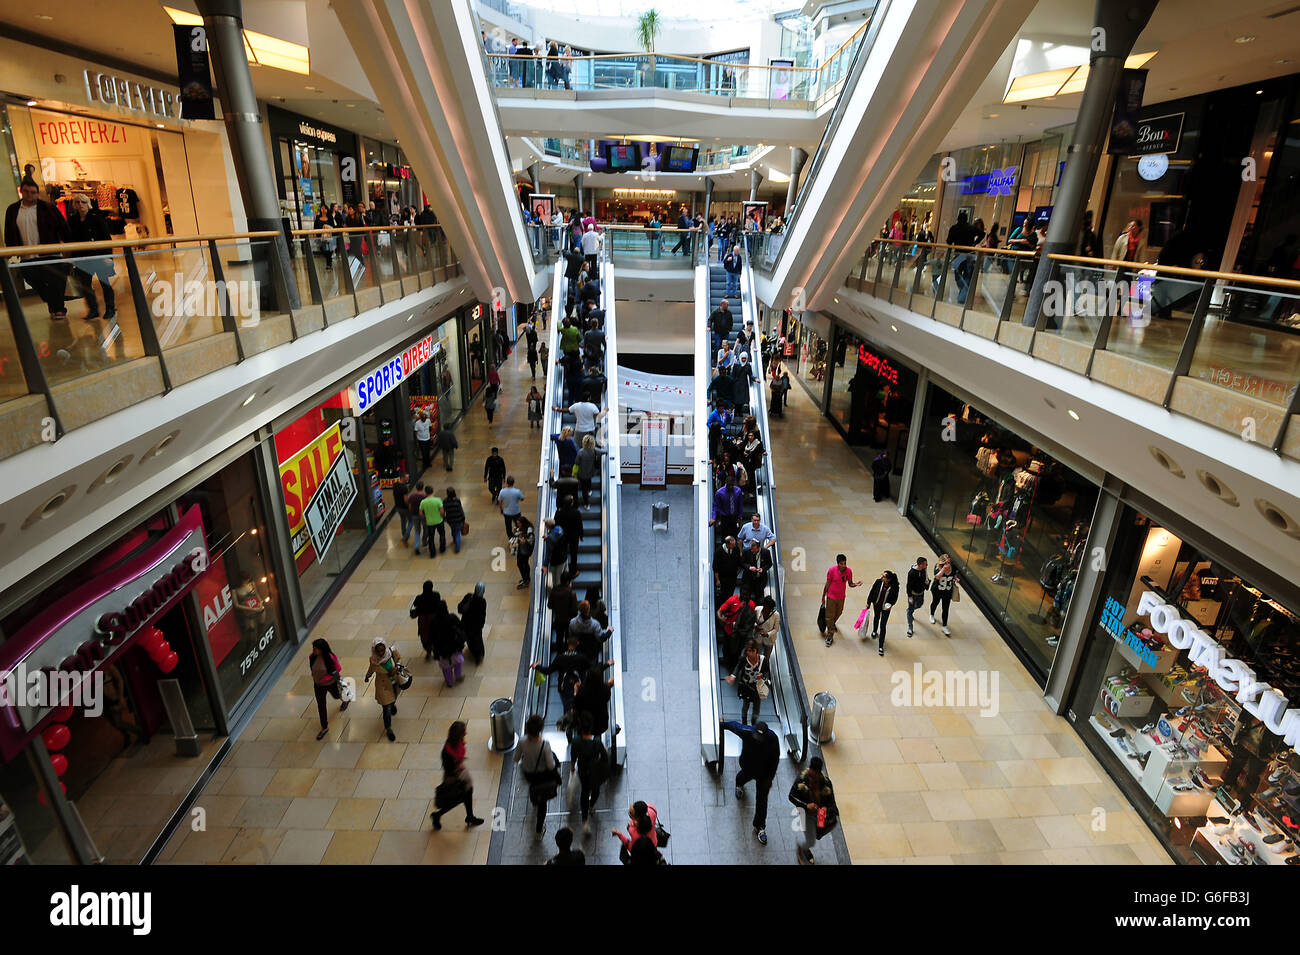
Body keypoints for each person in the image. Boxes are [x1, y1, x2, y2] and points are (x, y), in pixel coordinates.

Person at [4, 174, 71, 320]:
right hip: (27, 256)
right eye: (27, 192)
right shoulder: (13, 210)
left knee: (56, 281)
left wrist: (69, 246)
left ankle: (59, 309)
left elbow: (63, 227)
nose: (30, 195)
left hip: (50, 254)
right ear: (22, 191)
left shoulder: (48, 208)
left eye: (33, 192)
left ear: (37, 193)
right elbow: (9, 231)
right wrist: (10, 250)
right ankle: (53, 303)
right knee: (32, 278)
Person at [722, 719, 780, 845]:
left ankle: (759, 826)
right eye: (756, 737)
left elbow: (775, 760)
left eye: (760, 738)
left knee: (762, 800)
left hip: (764, 775)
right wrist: (721, 725)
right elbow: (734, 726)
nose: (757, 740)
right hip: (748, 767)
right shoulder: (747, 731)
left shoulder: (773, 739)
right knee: (743, 777)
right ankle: (739, 784)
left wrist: (769, 779)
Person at [66, 194, 116, 319]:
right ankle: (93, 310)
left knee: (105, 283)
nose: (80, 205)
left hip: (98, 256)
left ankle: (110, 308)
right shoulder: (73, 220)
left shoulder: (96, 218)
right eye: (77, 202)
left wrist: (108, 257)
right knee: (85, 285)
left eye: (83, 202)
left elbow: (106, 238)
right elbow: (71, 240)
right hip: (83, 258)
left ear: (87, 203)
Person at [430, 721, 485, 829]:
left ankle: (469, 816)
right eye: (463, 732)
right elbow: (449, 769)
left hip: (459, 774)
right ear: (458, 735)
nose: (465, 734)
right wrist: (458, 765)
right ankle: (438, 815)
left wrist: (460, 762)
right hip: (454, 777)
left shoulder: (455, 743)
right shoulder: (447, 753)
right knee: (458, 798)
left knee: (467, 793)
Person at [516, 714, 559, 836]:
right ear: (540, 729)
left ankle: (534, 800)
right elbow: (551, 766)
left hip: (529, 774)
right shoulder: (545, 745)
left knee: (533, 788)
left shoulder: (522, 741)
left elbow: (516, 758)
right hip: (542, 776)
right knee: (542, 805)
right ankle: (539, 830)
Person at [789, 756, 838, 864]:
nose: (811, 781)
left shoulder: (826, 784)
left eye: (814, 779)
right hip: (806, 814)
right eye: (810, 776)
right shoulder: (801, 780)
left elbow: (832, 802)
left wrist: (826, 808)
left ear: (820, 774)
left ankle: (807, 844)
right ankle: (802, 847)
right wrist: (806, 805)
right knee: (811, 841)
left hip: (820, 813)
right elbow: (791, 796)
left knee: (819, 832)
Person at [569, 712, 609, 829]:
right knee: (596, 789)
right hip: (596, 771)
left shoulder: (576, 741)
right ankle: (592, 807)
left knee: (584, 792)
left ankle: (585, 820)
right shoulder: (597, 741)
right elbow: (605, 757)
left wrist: (572, 767)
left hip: (583, 771)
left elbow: (573, 757)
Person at [363, 637, 402, 741]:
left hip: (395, 682)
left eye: (382, 650)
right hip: (383, 686)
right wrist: (367, 676)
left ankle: (392, 704)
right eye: (378, 651)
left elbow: (398, 659)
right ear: (374, 650)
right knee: (386, 708)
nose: (380, 653)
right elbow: (371, 669)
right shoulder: (373, 660)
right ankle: (388, 728)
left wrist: (396, 667)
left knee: (394, 697)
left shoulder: (391, 652)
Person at [308, 638, 347, 740]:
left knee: (337, 695)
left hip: (331, 683)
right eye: (313, 648)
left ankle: (345, 699)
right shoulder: (312, 657)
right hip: (318, 685)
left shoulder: (330, 657)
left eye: (316, 648)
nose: (314, 650)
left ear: (322, 649)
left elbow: (337, 670)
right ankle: (324, 727)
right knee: (321, 705)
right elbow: (312, 668)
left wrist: (329, 679)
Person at [821, 553, 861, 647]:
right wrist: (823, 596)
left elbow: (850, 584)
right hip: (831, 596)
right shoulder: (832, 570)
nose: (843, 565)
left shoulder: (849, 571)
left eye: (845, 563)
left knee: (839, 612)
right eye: (841, 563)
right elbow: (827, 584)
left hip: (841, 596)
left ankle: (831, 624)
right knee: (830, 615)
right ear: (838, 563)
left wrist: (856, 584)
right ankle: (830, 634)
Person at [725, 639, 767, 725]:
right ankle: (744, 722)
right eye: (749, 651)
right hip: (746, 685)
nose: (751, 653)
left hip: (757, 687)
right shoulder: (744, 659)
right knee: (745, 705)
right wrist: (733, 676)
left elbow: (766, 670)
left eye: (753, 651)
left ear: (756, 650)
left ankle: (754, 722)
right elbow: (738, 667)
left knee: (757, 707)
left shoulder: (762, 659)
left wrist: (761, 675)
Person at [717, 587, 756, 667]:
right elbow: (720, 610)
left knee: (738, 649)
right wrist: (720, 618)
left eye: (747, 595)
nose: (745, 597)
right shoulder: (732, 600)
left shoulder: (751, 605)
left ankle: (734, 664)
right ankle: (727, 661)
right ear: (740, 593)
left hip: (741, 632)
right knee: (727, 648)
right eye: (743, 594)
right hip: (729, 630)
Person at [865, 569, 899, 656]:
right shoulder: (878, 582)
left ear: (888, 579)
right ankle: (874, 631)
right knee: (876, 618)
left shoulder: (894, 587)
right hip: (877, 604)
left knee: (883, 625)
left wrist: (891, 605)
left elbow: (894, 598)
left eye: (884, 576)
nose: (882, 577)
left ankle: (881, 646)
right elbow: (872, 591)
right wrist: (868, 602)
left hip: (885, 608)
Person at [432, 604, 466, 687]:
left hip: (442, 651)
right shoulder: (452, 618)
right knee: (457, 663)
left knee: (446, 668)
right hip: (455, 647)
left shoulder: (434, 622)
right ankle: (458, 676)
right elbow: (461, 627)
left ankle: (449, 682)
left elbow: (432, 637)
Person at [410, 580, 444, 660]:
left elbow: (415, 605)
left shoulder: (419, 598)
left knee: (424, 635)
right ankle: (436, 652)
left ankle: (428, 650)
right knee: (435, 635)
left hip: (423, 620)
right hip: (433, 619)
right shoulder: (436, 595)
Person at [710, 472, 744, 543]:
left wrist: (740, 516)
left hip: (735, 516)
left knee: (734, 535)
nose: (731, 487)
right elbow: (716, 505)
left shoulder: (738, 491)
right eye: (729, 485)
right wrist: (714, 518)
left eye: (732, 485)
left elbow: (740, 504)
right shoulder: (720, 492)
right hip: (725, 517)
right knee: (724, 536)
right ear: (726, 484)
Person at [458, 583, 487, 665]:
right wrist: (481, 625)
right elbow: (482, 615)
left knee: (469, 639)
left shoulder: (468, 596)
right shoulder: (482, 602)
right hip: (475, 626)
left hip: (466, 623)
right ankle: (478, 656)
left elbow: (460, 607)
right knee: (477, 640)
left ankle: (472, 651)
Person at [555, 494, 584, 575]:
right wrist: (581, 535)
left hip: (563, 535)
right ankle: (573, 571)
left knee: (563, 551)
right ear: (571, 503)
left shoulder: (559, 512)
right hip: (574, 536)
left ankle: (563, 570)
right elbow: (579, 524)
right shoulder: (576, 512)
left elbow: (556, 524)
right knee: (573, 553)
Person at [929, 554, 958, 636]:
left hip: (947, 591)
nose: (948, 564)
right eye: (946, 563)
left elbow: (954, 574)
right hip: (937, 590)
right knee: (935, 603)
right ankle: (931, 614)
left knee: (945, 608)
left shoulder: (953, 567)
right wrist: (943, 569)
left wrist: (955, 578)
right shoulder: (937, 567)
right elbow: (937, 577)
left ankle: (944, 626)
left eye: (949, 562)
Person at [574, 434, 602, 508]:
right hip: (590, 472)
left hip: (581, 474)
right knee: (589, 481)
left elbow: (576, 462)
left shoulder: (580, 452)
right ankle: (589, 490)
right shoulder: (594, 450)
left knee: (584, 489)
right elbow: (603, 452)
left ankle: (587, 504)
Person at [713, 534, 742, 605]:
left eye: (735, 544)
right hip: (722, 578)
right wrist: (717, 580)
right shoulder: (719, 552)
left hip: (732, 577)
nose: (734, 546)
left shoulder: (736, 549)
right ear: (727, 544)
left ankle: (729, 607)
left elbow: (739, 563)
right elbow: (715, 567)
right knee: (723, 595)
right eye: (732, 545)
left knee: (730, 594)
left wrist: (736, 574)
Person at [905, 556, 929, 637]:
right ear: (921, 565)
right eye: (925, 564)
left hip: (921, 593)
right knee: (910, 610)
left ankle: (909, 611)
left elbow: (926, 579)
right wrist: (910, 597)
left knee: (919, 605)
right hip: (914, 594)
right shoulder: (911, 573)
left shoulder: (924, 570)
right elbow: (908, 586)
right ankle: (910, 628)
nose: (927, 565)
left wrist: (927, 584)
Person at [419, 486, 445, 558]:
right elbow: (442, 511)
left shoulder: (423, 502)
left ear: (426, 492)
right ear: (433, 491)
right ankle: (442, 549)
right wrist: (442, 517)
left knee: (431, 538)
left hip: (430, 522)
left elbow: (420, 513)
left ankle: (432, 553)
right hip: (439, 521)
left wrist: (425, 517)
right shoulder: (438, 500)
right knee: (442, 534)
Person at [512, 514, 535, 589]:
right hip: (522, 549)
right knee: (522, 563)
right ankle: (526, 578)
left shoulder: (529, 529)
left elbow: (531, 540)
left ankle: (526, 580)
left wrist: (524, 541)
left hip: (525, 551)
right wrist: (515, 531)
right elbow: (518, 534)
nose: (518, 525)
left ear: (523, 523)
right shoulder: (522, 527)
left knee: (522, 564)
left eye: (519, 523)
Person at [442, 487, 467, 553]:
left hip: (450, 520)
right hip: (458, 519)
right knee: (458, 533)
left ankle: (454, 540)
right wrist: (463, 518)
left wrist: (444, 518)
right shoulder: (457, 500)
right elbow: (461, 510)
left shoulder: (445, 501)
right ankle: (457, 547)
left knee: (453, 530)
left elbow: (443, 511)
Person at [406, 482, 427, 554]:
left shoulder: (412, 496)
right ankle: (424, 542)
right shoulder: (424, 497)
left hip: (414, 515)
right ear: (422, 488)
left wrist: (411, 512)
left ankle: (417, 546)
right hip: (423, 516)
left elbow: (410, 506)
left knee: (417, 531)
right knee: (425, 528)